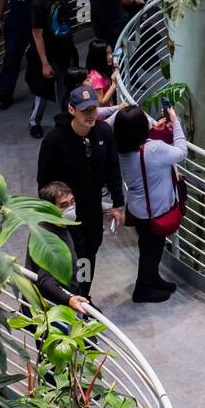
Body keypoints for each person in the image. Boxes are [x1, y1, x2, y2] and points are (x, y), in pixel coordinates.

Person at [36, 84, 125, 293]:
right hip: (64, 214)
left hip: (91, 210)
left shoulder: (104, 132)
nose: (90, 114)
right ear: (71, 110)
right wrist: (54, 212)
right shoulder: (54, 141)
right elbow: (43, 182)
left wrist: (118, 204)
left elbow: (113, 169)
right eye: (85, 110)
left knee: (88, 254)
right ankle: (69, 297)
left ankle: (83, 295)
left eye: (93, 109)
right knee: (70, 255)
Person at [113, 103, 186, 304]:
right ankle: (142, 290)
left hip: (139, 210)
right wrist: (175, 122)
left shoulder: (122, 149)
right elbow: (181, 151)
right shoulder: (154, 149)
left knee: (150, 247)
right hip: (154, 212)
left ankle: (153, 279)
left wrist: (156, 130)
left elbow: (145, 146)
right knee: (150, 252)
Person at [25, 0, 78, 138]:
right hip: (49, 54)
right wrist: (44, 63)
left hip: (64, 49)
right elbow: (37, 34)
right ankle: (35, 123)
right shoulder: (39, 2)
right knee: (43, 91)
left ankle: (66, 120)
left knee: (65, 87)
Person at [26, 181, 92, 312]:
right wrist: (70, 299)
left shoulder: (60, 224)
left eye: (72, 202)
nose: (71, 208)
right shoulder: (47, 239)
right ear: (48, 209)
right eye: (64, 205)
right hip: (55, 308)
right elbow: (45, 279)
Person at [84, 39, 117, 104]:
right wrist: (114, 84)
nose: (110, 56)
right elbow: (101, 102)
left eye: (111, 52)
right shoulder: (95, 77)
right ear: (98, 56)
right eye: (106, 54)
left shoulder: (104, 69)